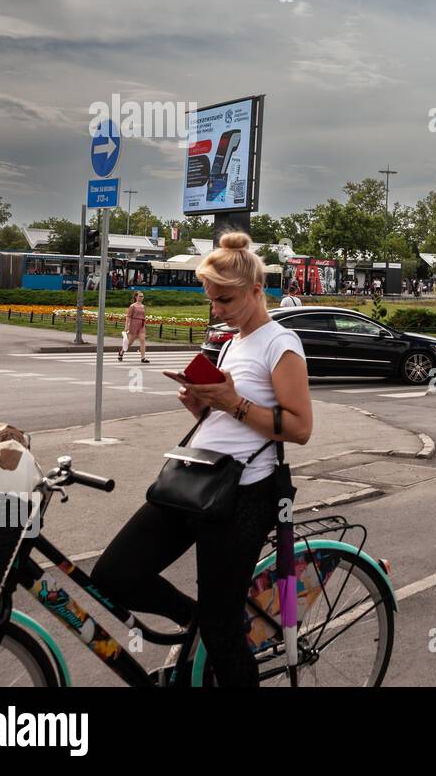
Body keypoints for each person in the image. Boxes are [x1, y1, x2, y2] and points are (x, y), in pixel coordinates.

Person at [92, 233, 313, 687]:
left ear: (257, 291)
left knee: (224, 630)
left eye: (225, 299)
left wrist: (231, 402)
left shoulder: (280, 343)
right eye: (212, 300)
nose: (217, 309)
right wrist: (202, 406)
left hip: (243, 494)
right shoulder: (232, 342)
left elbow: (300, 428)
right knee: (114, 574)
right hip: (195, 477)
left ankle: (213, 628)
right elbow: (229, 412)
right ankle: (199, 626)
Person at [118, 291, 148, 364]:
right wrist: (126, 326)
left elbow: (143, 316)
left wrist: (144, 323)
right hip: (133, 324)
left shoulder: (143, 306)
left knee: (142, 340)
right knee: (130, 342)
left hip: (141, 324)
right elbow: (128, 316)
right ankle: (122, 352)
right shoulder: (132, 306)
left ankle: (143, 358)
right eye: (140, 296)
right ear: (136, 297)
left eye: (142, 296)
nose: (141, 298)